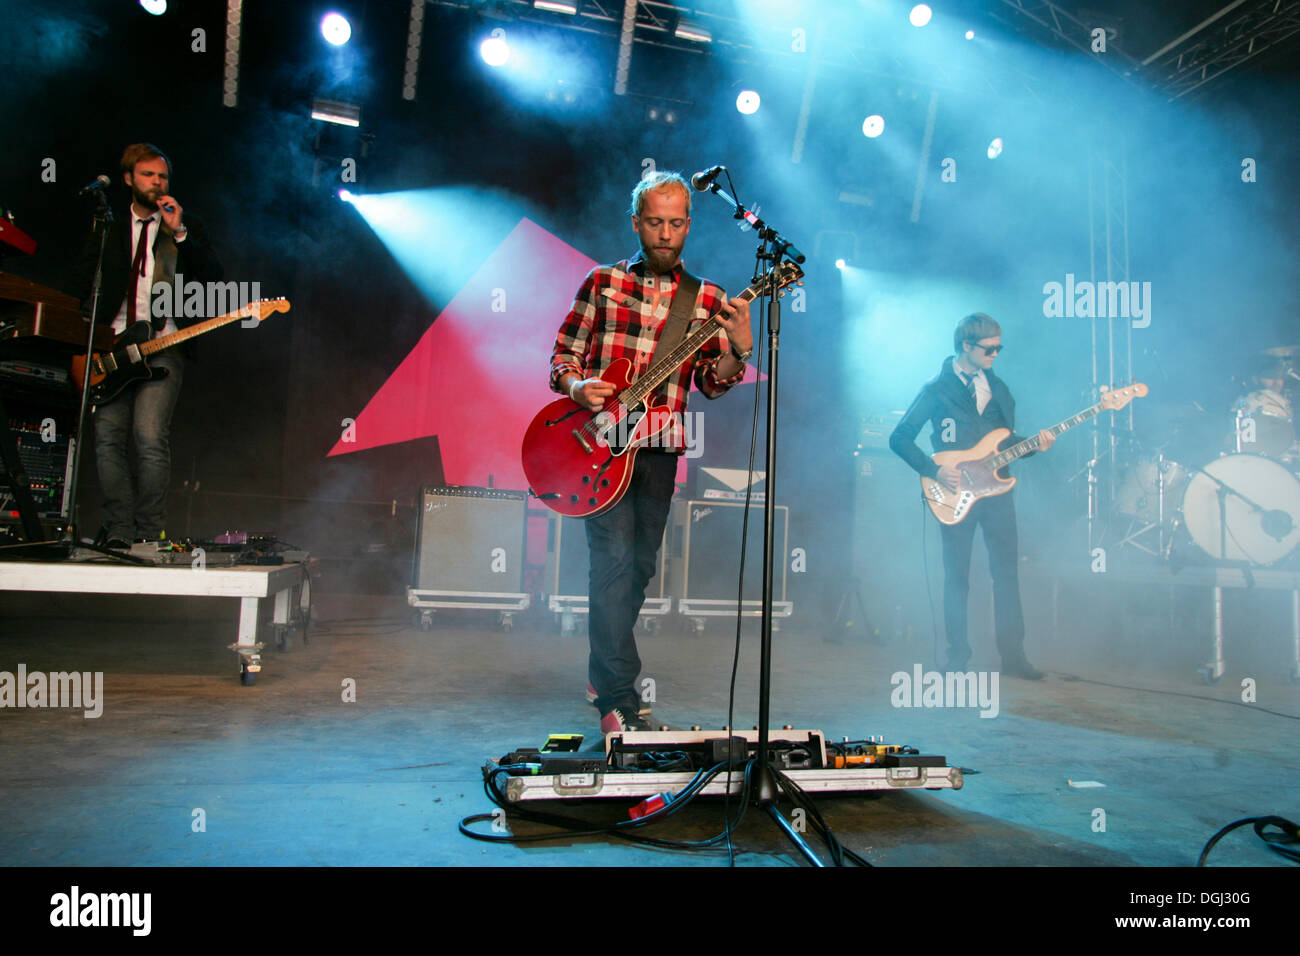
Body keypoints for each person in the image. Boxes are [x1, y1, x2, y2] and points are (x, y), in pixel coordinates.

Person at [550, 171, 753, 733]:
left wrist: (740, 349)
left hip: (661, 449)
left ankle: (601, 669)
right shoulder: (602, 282)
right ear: (636, 222)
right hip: (603, 446)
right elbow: (563, 355)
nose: (665, 234)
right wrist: (576, 388)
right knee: (612, 560)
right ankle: (618, 697)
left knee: (639, 566)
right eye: (655, 222)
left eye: (676, 223)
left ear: (689, 224)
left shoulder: (709, 298)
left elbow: (713, 383)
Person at [889, 313, 1053, 679]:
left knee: (1006, 574)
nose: (996, 354)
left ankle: (1014, 657)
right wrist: (932, 469)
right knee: (957, 577)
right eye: (989, 348)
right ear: (966, 345)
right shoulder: (936, 389)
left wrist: (1034, 446)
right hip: (954, 491)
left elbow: (1005, 443)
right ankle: (957, 657)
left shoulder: (999, 388)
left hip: (997, 492)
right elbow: (899, 438)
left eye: (999, 347)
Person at [74, 142, 222, 548]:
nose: (157, 183)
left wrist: (181, 232)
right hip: (112, 346)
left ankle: (147, 531)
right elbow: (83, 282)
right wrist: (81, 340)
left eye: (163, 176)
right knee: (107, 438)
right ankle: (118, 530)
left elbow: (214, 278)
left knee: (150, 437)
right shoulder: (109, 226)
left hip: (163, 345)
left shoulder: (184, 226)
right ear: (128, 179)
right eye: (148, 175)